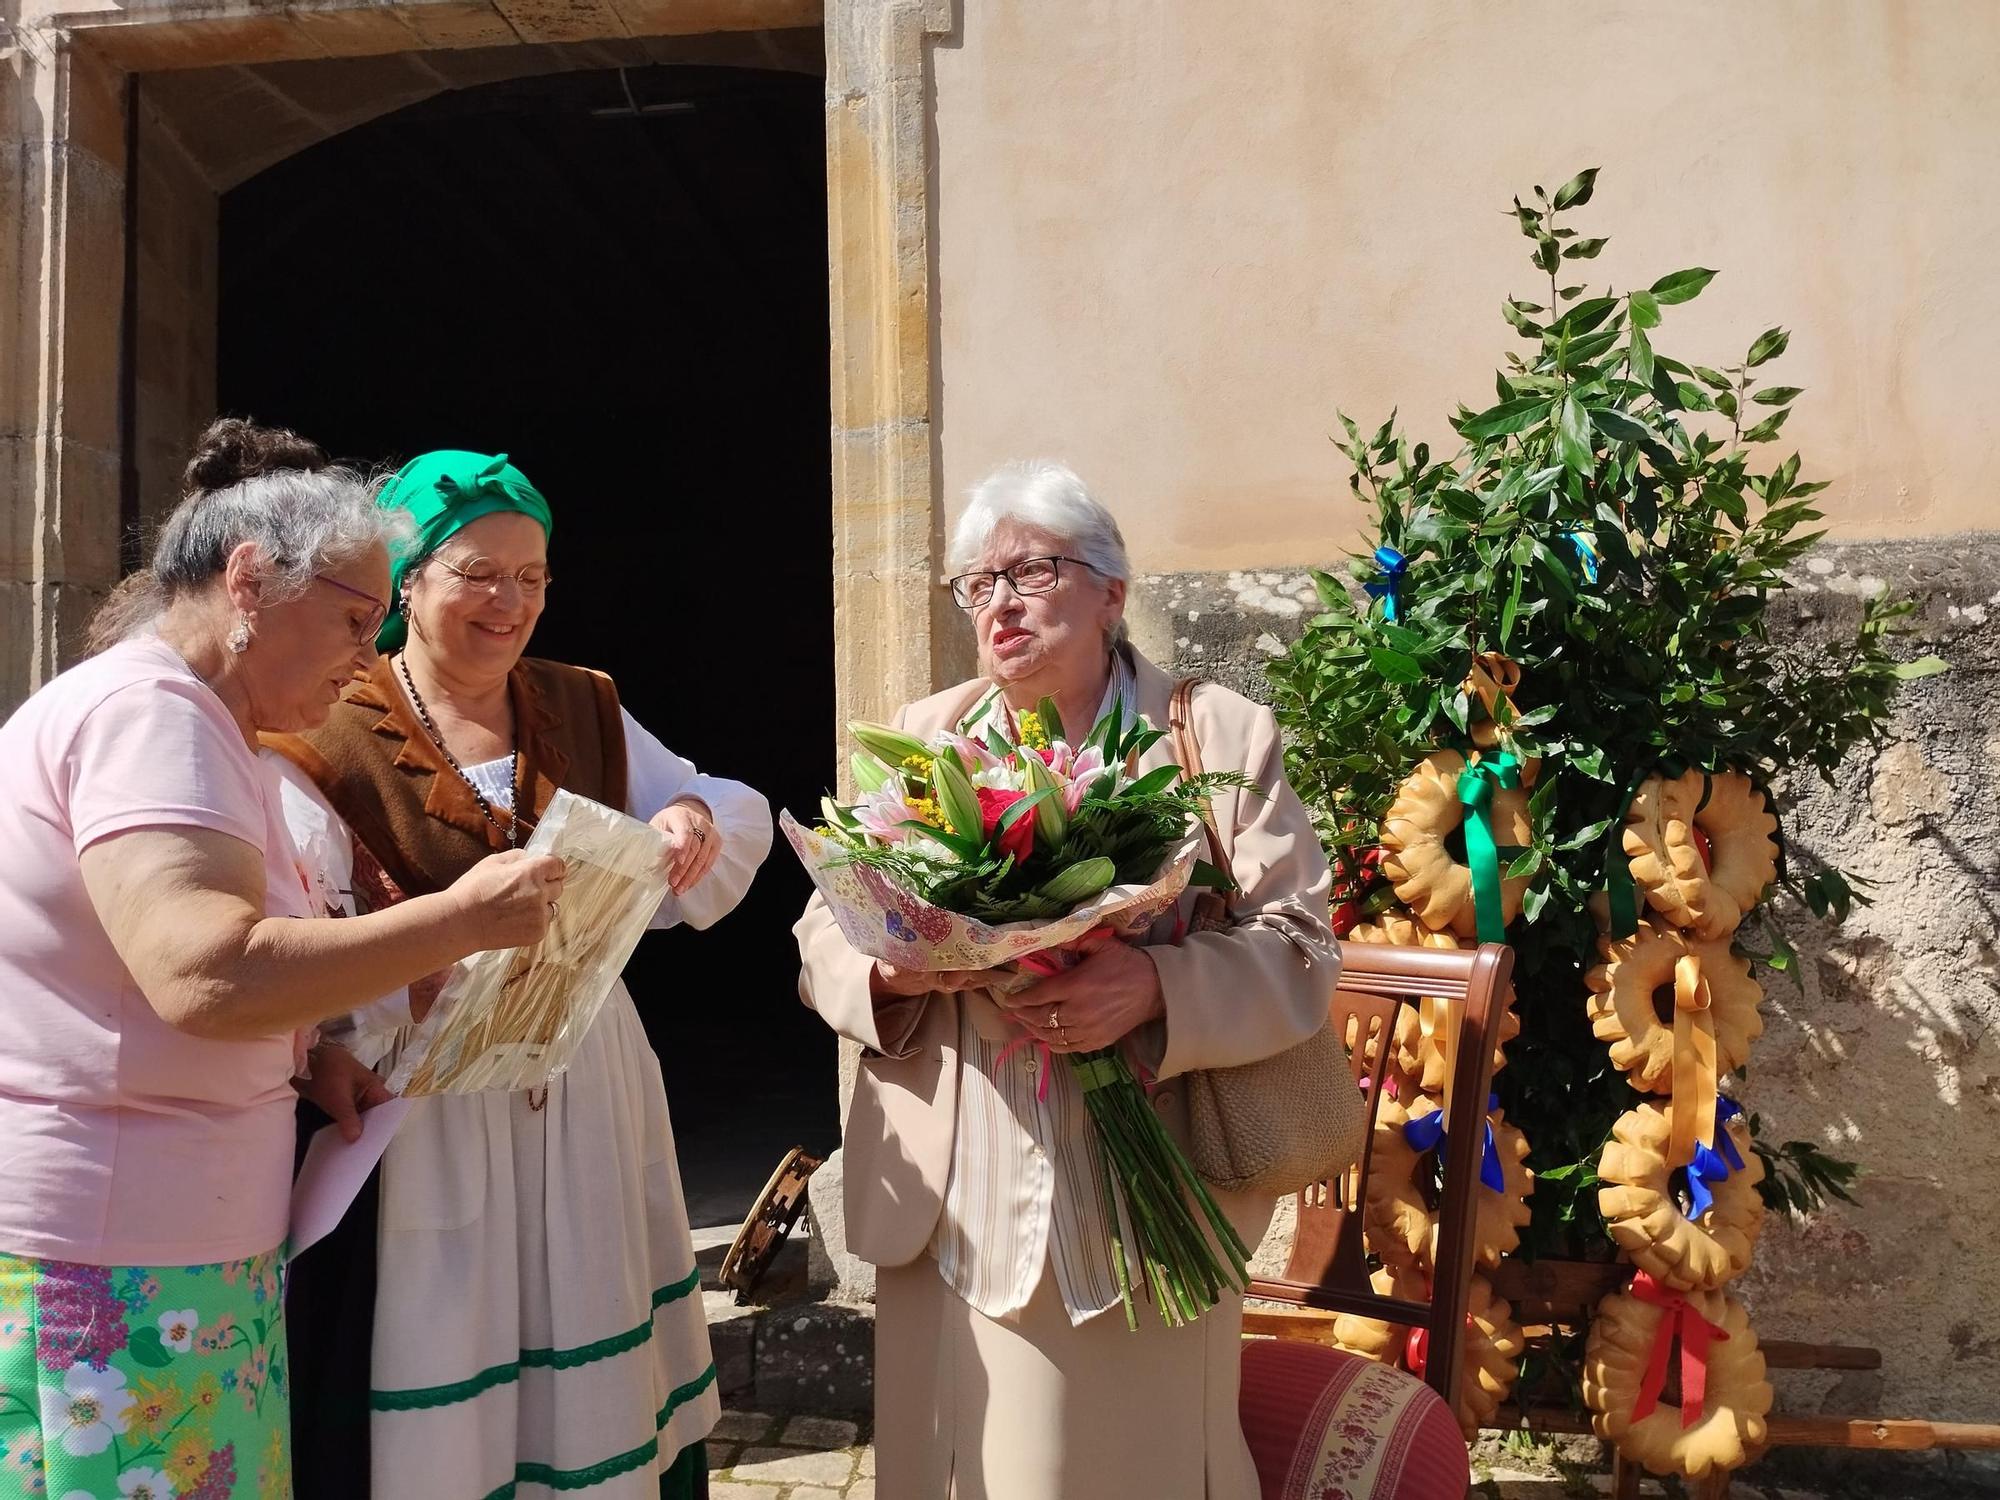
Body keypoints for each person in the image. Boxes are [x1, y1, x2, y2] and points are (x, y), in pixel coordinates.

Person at [0, 420, 563, 1500]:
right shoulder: (147, 713)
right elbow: (204, 973)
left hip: (174, 1243)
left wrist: (308, 1058)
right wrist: (462, 920)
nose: (371, 647)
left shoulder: (211, 724)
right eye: (357, 615)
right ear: (251, 581)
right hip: (110, 1258)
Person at [794, 460, 1339, 1498]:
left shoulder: (1214, 735)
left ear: (1111, 592)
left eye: (1029, 571)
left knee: (1147, 1460)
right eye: (975, 583)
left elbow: (1299, 943)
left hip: (1149, 1181)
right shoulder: (920, 739)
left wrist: (1153, 988)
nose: (996, 602)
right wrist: (890, 974)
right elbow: (826, 921)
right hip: (958, 1180)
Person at [265, 449, 772, 1500]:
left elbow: (722, 802)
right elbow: (286, 921)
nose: (510, 602)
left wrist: (684, 820)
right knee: (447, 1342)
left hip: (588, 1076)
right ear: (407, 578)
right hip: (431, 1103)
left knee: (595, 1314)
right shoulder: (325, 721)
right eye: (478, 571)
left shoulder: (579, 701)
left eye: (532, 576)